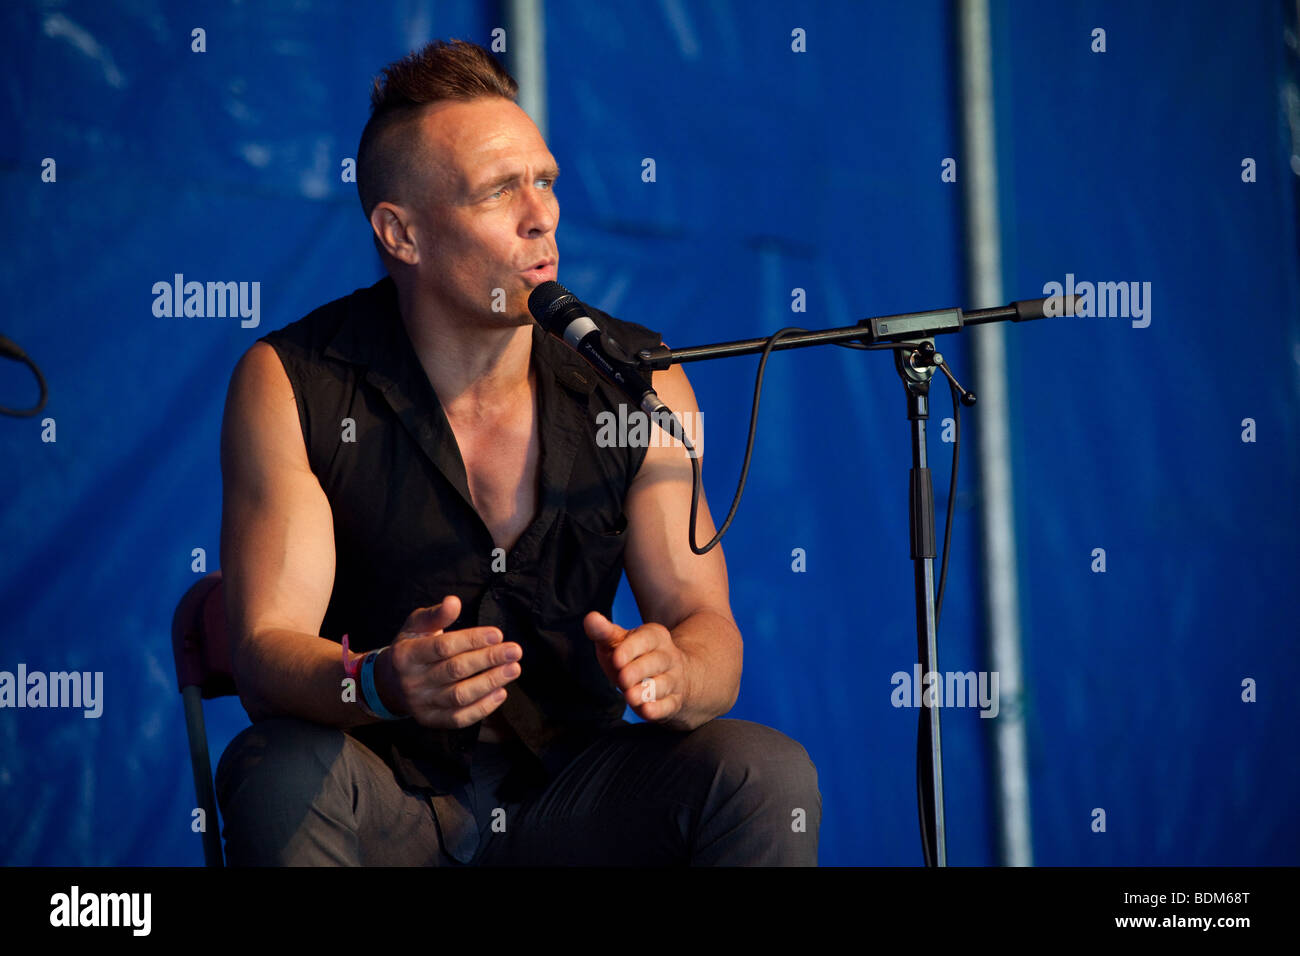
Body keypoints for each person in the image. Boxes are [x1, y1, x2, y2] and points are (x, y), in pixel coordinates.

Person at [214, 38, 820, 866]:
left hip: (577, 805)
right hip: (389, 795)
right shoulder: (291, 381)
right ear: (402, 234)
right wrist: (379, 681)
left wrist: (678, 671)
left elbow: (707, 627)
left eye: (545, 181)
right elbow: (264, 653)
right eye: (501, 190)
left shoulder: (642, 382)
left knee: (762, 775)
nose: (542, 215)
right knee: (274, 768)